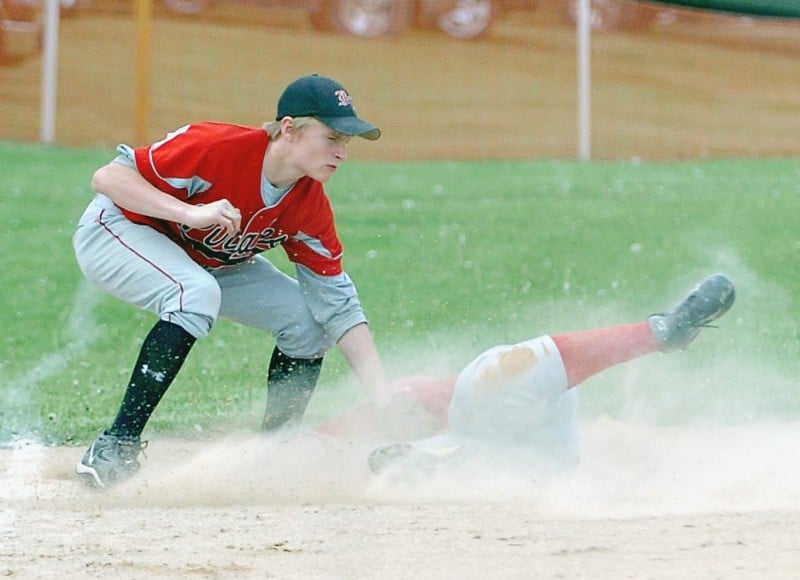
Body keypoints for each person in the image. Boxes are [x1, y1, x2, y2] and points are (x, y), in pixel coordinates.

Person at [73, 74, 389, 489]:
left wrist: (387, 402)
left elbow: (340, 308)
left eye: (345, 142)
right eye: (331, 136)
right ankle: (117, 443)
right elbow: (108, 179)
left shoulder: (309, 206)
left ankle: (271, 453)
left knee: (309, 324)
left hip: (207, 259)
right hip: (116, 230)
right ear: (290, 128)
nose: (341, 152)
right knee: (194, 292)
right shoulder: (218, 147)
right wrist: (188, 213)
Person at [316, 273, 736, 477]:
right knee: (530, 363)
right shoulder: (411, 399)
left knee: (530, 469)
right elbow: (328, 436)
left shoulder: (405, 404)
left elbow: (331, 436)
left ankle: (434, 467)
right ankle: (660, 332)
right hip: (479, 419)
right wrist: (287, 449)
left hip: (508, 440)